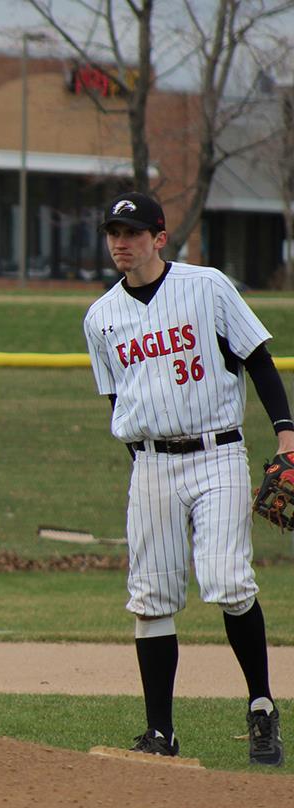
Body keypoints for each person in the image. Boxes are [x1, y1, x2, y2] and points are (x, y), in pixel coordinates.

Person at [82, 190, 283, 766]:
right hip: (150, 463)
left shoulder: (208, 286)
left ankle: (262, 706)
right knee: (151, 597)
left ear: (160, 238)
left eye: (133, 233)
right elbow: (119, 400)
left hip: (218, 452)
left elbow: (258, 360)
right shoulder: (100, 317)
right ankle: (160, 734)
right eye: (114, 233)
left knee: (229, 581)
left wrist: (287, 436)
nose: (122, 243)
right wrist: (143, 465)